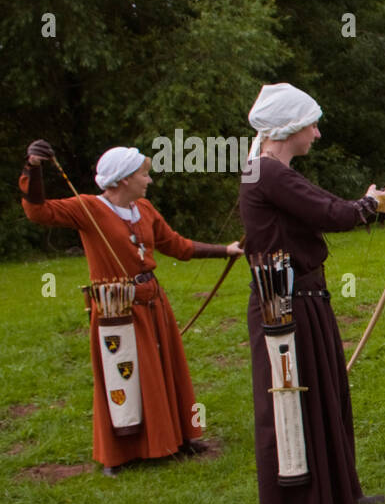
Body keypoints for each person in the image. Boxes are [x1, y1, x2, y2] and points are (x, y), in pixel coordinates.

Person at [239, 83, 385, 504]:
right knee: (285, 411)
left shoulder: (268, 172)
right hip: (283, 305)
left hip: (301, 300)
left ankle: (344, 494)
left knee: (325, 395)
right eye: (312, 125)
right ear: (289, 127)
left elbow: (327, 209)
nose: (317, 134)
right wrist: (381, 204)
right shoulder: (267, 173)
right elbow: (335, 212)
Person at [19, 141, 242, 475]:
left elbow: (177, 246)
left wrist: (224, 250)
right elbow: (38, 211)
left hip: (153, 302)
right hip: (116, 309)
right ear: (123, 179)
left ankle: (179, 438)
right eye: (143, 174)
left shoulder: (145, 209)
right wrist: (33, 167)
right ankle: (119, 453)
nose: (148, 180)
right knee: (121, 376)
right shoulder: (89, 208)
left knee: (166, 368)